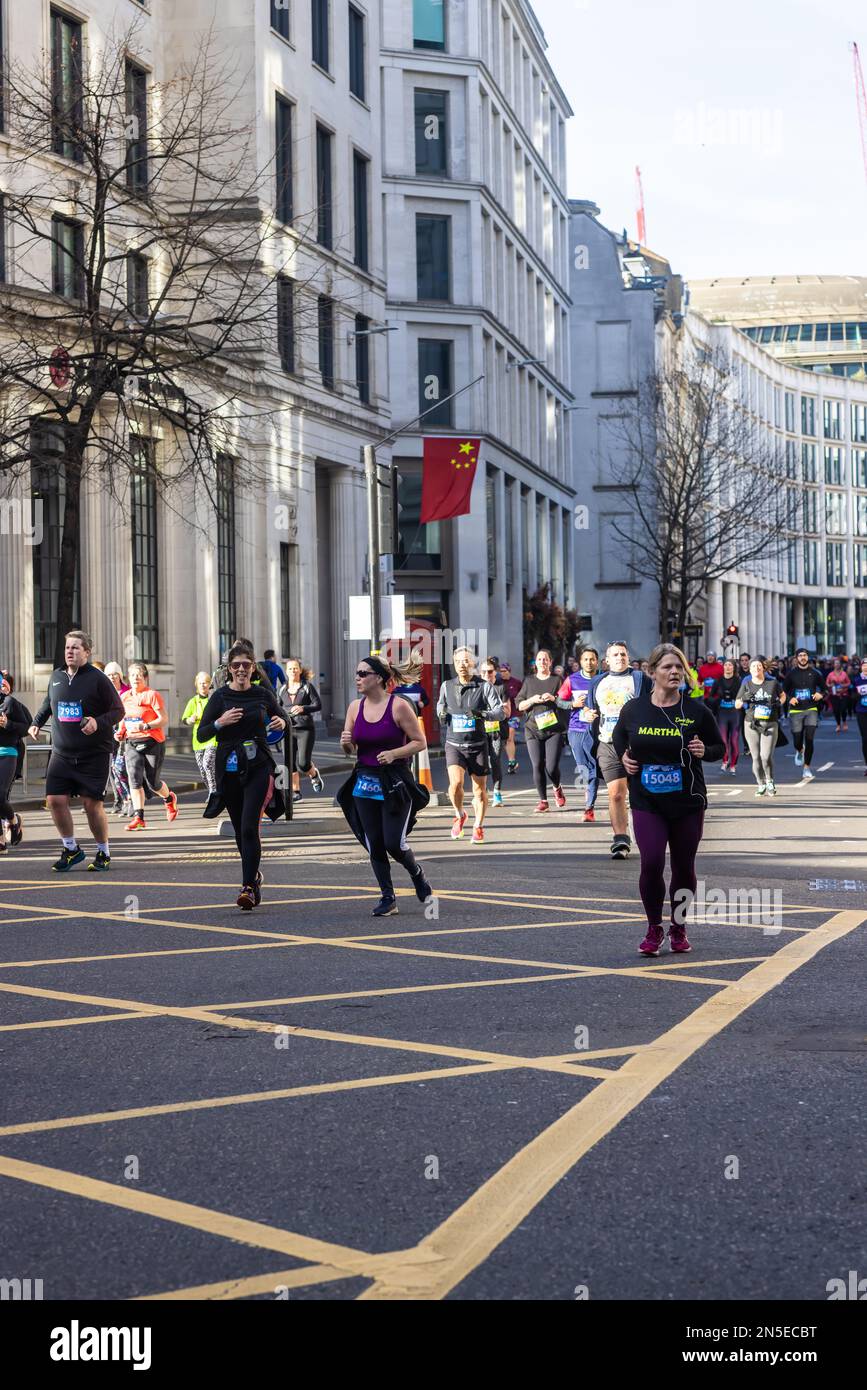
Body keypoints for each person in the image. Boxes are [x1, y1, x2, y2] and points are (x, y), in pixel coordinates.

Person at [613, 643, 724, 956]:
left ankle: (678, 926)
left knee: (683, 867)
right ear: (652, 672)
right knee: (650, 862)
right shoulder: (634, 709)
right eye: (667, 667)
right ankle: (653, 928)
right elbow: (619, 738)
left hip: (687, 801)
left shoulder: (696, 711)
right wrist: (624, 758)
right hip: (647, 800)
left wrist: (706, 751)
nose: (675, 672)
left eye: (679, 667)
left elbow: (719, 749)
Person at [337, 654, 433, 916]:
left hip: (395, 781)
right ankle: (387, 897)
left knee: (393, 842)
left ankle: (417, 873)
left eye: (363, 673)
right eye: (356, 673)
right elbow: (350, 748)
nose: (357, 678)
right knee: (374, 842)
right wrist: (346, 742)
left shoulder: (399, 706)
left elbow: (419, 741)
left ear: (378, 678)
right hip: (364, 781)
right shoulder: (354, 708)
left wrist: (394, 754)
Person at [197, 642, 286, 909]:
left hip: (257, 764)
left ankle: (247, 886)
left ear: (253, 668)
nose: (241, 670)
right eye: (235, 666)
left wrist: (281, 722)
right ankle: (255, 876)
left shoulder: (261, 694)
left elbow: (281, 719)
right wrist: (219, 723)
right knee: (239, 829)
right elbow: (202, 734)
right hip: (229, 768)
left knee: (249, 826)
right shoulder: (220, 697)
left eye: (246, 665)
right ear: (228, 669)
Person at [28, 629, 124, 872]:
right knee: (54, 800)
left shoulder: (98, 678)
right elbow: (48, 704)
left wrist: (98, 722)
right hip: (62, 754)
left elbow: (118, 711)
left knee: (92, 805)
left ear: (87, 652)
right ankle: (71, 849)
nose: (69, 651)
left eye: (75, 648)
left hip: (94, 753)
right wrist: (36, 722)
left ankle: (103, 852)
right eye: (67, 647)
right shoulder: (57, 675)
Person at [583, 641, 651, 858]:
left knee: (639, 794)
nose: (620, 658)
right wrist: (587, 715)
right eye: (615, 655)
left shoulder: (640, 679)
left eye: (623, 654)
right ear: (607, 660)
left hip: (635, 744)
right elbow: (589, 709)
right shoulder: (598, 682)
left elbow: (654, 704)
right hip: (607, 743)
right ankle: (620, 840)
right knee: (616, 795)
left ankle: (647, 835)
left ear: (628, 657)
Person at [437, 647, 504, 843]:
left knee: (478, 789)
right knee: (456, 784)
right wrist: (441, 713)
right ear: (454, 664)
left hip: (477, 744)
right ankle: (459, 815)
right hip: (454, 743)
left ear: (473, 663)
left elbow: (500, 712)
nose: (463, 665)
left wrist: (481, 714)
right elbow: (441, 705)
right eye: (458, 661)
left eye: (466, 661)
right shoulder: (446, 685)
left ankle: (478, 826)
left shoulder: (484, 687)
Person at [118, 664, 178, 831]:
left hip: (152, 742)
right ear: (128, 678)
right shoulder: (125, 697)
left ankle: (169, 799)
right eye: (132, 675)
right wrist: (121, 732)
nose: (136, 678)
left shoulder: (152, 695)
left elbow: (163, 719)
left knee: (153, 783)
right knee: (134, 780)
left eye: (139, 675)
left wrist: (145, 726)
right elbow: (124, 717)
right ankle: (139, 817)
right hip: (131, 743)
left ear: (145, 678)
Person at [516, 650, 568, 813]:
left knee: (551, 767)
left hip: (553, 730)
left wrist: (553, 699)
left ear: (550, 662)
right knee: (537, 764)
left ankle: (557, 787)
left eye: (545, 659)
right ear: (535, 663)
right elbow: (519, 704)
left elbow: (566, 702)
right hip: (533, 728)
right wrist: (532, 700)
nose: (542, 662)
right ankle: (543, 800)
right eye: (539, 659)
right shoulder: (529, 681)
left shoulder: (557, 680)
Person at [559, 646, 600, 823]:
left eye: (592, 659)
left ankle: (589, 807)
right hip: (576, 729)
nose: (589, 662)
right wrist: (573, 704)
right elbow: (560, 701)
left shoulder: (603, 679)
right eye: (585, 659)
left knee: (593, 768)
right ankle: (589, 802)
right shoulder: (572, 680)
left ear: (597, 661)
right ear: (580, 662)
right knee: (584, 768)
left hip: (598, 730)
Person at [736, 657, 786, 797]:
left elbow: (783, 696)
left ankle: (769, 780)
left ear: (763, 668)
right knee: (756, 757)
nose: (756, 669)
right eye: (753, 666)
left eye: (759, 666)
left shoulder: (772, 682)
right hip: (751, 723)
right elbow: (737, 704)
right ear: (750, 669)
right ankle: (760, 783)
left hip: (770, 723)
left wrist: (779, 703)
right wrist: (744, 698)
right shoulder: (746, 683)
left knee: (765, 756)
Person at [279, 658, 324, 801]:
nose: (293, 671)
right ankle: (296, 792)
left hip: (305, 729)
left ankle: (314, 775)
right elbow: (276, 707)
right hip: (287, 729)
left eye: (295, 668)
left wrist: (303, 708)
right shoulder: (281, 689)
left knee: (303, 763)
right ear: (286, 672)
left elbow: (318, 705)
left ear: (299, 670)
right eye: (290, 669)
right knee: (289, 762)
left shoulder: (307, 687)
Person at [782, 649, 825, 782]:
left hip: (811, 708)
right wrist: (790, 698)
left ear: (808, 657)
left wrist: (821, 694)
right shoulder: (791, 674)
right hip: (796, 710)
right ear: (796, 658)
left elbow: (824, 688)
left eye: (805, 655)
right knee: (797, 739)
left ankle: (806, 768)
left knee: (810, 739)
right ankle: (799, 749)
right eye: (800, 656)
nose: (802, 658)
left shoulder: (815, 673)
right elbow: (783, 691)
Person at [0, 670, 30, 852]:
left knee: (0, 796)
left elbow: (28, 727)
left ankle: (12, 821)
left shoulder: (9, 702)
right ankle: (1, 841)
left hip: (6, 752)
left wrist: (7, 724)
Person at [480, 659, 510, 807]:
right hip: (479, 731)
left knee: (495, 761)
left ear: (495, 672)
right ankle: (482, 790)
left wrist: (497, 711)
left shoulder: (501, 688)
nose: (487, 674)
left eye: (490, 671)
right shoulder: (477, 688)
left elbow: (508, 712)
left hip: (496, 732)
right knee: (481, 762)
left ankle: (497, 793)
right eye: (484, 671)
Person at [182, 671, 218, 795]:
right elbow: (184, 719)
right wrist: (190, 719)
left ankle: (213, 793)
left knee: (207, 764)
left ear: (210, 685)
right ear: (197, 685)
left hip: (213, 738)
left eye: (206, 683)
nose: (203, 685)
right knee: (203, 770)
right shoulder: (193, 701)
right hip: (198, 740)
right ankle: (213, 790)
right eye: (201, 683)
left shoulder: (214, 700)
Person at [711, 659, 742, 775]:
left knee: (734, 740)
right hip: (722, 713)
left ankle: (733, 765)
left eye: (730, 665)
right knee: (723, 740)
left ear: (734, 668)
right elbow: (710, 697)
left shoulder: (738, 681)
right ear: (723, 667)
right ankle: (724, 761)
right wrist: (716, 701)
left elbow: (744, 696)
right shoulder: (718, 681)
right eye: (726, 665)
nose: (728, 667)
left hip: (735, 713)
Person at [498, 662, 523, 772]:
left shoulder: (516, 682)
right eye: (501, 671)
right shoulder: (497, 683)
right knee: (503, 738)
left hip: (514, 714)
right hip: (501, 715)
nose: (502, 673)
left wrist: (522, 709)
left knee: (509, 736)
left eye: (505, 671)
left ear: (509, 671)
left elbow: (522, 696)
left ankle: (511, 762)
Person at [825, 658, 851, 733]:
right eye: (836, 663)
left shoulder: (844, 673)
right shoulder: (830, 674)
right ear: (833, 665)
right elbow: (827, 683)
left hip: (844, 694)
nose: (837, 665)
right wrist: (830, 685)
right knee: (836, 711)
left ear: (840, 665)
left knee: (843, 709)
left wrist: (843, 685)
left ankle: (844, 722)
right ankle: (838, 725)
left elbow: (849, 683)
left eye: (838, 663)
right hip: (834, 695)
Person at [853, 657, 867, 774]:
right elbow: (851, 696)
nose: (866, 667)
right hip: (861, 711)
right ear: (861, 667)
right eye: (864, 665)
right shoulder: (856, 680)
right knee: (865, 739)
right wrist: (856, 695)